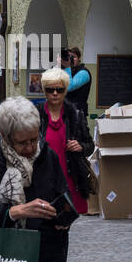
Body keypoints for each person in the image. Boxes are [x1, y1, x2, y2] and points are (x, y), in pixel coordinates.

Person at [0, 96, 76, 262]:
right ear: (4, 136)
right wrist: (16, 212)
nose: (31, 147)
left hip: (49, 257)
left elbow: (62, 195)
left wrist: (64, 219)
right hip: (5, 260)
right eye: (23, 142)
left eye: (34, 139)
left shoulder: (48, 156)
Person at [37, 67, 92, 216]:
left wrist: (80, 146)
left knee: (64, 224)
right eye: (50, 89)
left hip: (70, 178)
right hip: (42, 179)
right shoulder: (36, 115)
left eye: (60, 90)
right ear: (44, 91)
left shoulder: (75, 115)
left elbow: (90, 146)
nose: (55, 93)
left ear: (66, 90)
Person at [62, 47, 91, 116]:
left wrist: (67, 67)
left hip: (77, 116)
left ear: (79, 59)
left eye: (73, 57)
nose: (71, 59)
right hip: (66, 114)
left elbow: (69, 87)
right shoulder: (68, 71)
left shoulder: (84, 73)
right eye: (69, 57)